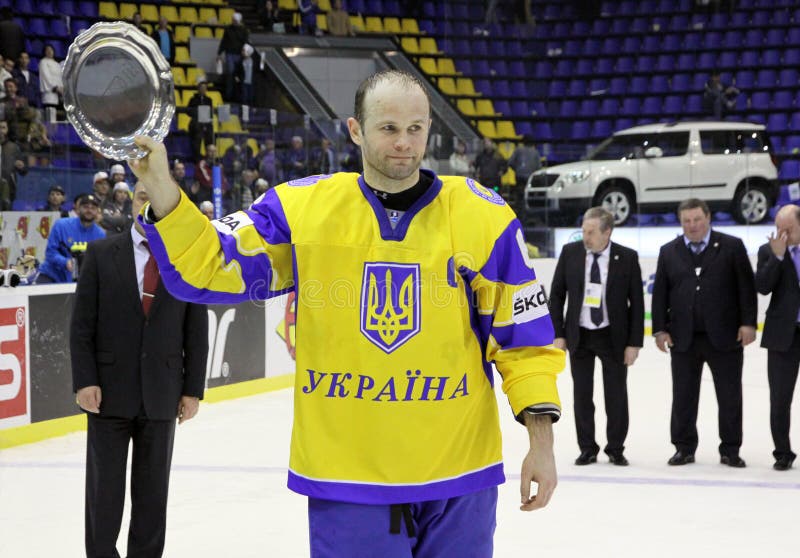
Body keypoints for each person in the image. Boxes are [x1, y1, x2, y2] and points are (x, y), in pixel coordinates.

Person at [129, 69, 564, 556]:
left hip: (458, 476)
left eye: (416, 128)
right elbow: (210, 264)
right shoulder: (301, 209)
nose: (404, 143)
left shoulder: (483, 216)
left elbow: (525, 342)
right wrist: (163, 189)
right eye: (388, 128)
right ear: (356, 130)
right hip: (347, 478)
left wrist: (541, 443)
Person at [70, 179, 208, 558]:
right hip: (108, 395)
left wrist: (192, 389)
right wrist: (85, 381)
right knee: (104, 494)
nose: (148, 203)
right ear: (133, 203)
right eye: (143, 197)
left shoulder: (186, 259)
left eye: (156, 197)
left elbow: (196, 330)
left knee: (152, 496)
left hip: (162, 394)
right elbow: (82, 326)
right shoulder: (100, 254)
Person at [652, 198, 756, 467]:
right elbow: (660, 293)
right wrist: (660, 329)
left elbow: (746, 288)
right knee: (683, 396)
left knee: (730, 396)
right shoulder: (669, 251)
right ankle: (684, 447)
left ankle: (730, 449)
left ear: (708, 218)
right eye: (686, 221)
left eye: (697, 219)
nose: (692, 225)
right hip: (683, 338)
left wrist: (748, 323)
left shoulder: (731, 246)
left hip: (725, 336)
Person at [549, 207, 644, 466]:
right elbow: (556, 295)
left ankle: (615, 447)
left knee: (616, 395)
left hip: (612, 336)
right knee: (582, 395)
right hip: (579, 335)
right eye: (583, 231)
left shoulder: (626, 257)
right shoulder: (571, 253)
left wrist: (634, 343)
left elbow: (636, 303)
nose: (586, 237)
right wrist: (558, 333)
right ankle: (587, 447)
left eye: (591, 232)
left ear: (607, 232)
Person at [755, 204, 800, 471]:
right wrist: (778, 257)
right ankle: (782, 452)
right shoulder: (768, 251)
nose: (783, 234)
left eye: (789, 229)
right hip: (783, 336)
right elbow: (762, 286)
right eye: (779, 229)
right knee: (780, 398)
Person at [36, 193, 105, 283]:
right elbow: (50, 253)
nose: (89, 210)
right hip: (52, 275)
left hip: (81, 279)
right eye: (86, 207)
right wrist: (65, 262)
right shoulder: (61, 225)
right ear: (78, 209)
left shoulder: (100, 234)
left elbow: (99, 260)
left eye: (93, 208)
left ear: (97, 211)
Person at [216, 12, 249, 102]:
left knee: (240, 75)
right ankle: (229, 95)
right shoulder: (228, 29)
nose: (235, 22)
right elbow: (224, 42)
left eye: (236, 21)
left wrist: (245, 51)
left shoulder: (244, 30)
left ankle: (238, 95)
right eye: (234, 21)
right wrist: (219, 53)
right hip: (230, 53)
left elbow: (246, 42)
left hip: (239, 55)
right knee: (230, 72)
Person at [507, 136, 541, 216]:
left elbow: (510, 162)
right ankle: (529, 215)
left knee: (519, 197)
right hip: (530, 179)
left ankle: (519, 215)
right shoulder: (535, 152)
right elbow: (539, 167)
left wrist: (517, 169)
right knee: (529, 197)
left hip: (519, 178)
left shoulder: (518, 150)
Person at [187, 76, 214, 164]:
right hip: (196, 123)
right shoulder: (193, 99)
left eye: (205, 88)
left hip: (206, 122)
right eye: (202, 88)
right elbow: (189, 111)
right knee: (198, 134)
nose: (203, 90)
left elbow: (210, 112)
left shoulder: (208, 100)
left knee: (210, 133)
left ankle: (209, 157)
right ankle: (197, 159)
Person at [0, 119, 26, 208]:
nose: (0, 130)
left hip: (8, 190)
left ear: (7, 130)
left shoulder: (14, 148)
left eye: (3, 128)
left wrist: (21, 167)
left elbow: (24, 171)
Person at [38, 44, 63, 119]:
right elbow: (46, 77)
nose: (49, 52)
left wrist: (61, 88)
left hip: (59, 94)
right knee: (50, 117)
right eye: (47, 50)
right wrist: (55, 87)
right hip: (49, 92)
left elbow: (60, 77)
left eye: (51, 50)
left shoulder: (57, 64)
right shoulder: (43, 62)